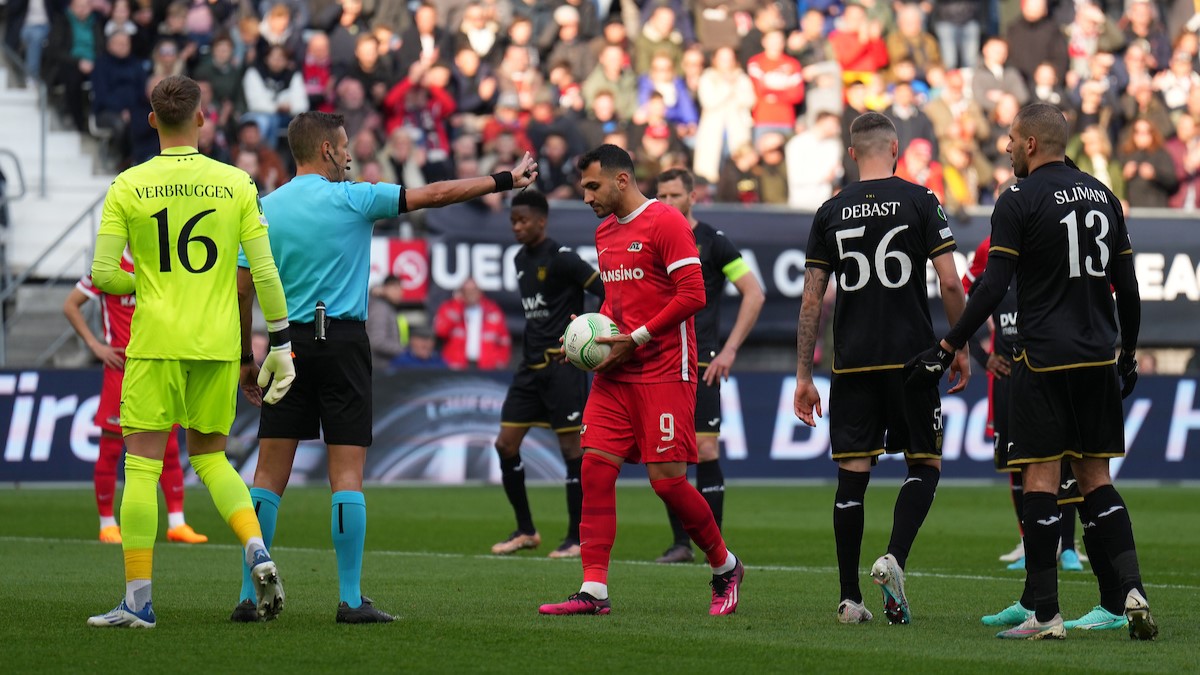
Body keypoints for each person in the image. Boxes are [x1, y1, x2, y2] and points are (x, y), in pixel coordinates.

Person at [233, 110, 538, 624]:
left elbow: (242, 290)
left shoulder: (263, 208)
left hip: (287, 343)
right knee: (347, 474)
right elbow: (437, 194)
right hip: (346, 341)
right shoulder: (355, 198)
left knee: (266, 475)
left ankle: (248, 596)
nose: (350, 155)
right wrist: (504, 179)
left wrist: (248, 356)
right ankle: (350, 600)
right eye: (345, 146)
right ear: (327, 150)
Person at [907, 102, 1156, 640]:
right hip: (1097, 358)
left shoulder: (1016, 197)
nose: (1006, 146)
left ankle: (1046, 616)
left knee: (1039, 479)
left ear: (1032, 145)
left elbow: (993, 286)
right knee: (1097, 479)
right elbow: (1128, 289)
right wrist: (1128, 354)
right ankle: (1131, 589)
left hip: (1043, 358)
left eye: (1012, 139)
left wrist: (948, 343)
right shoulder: (1104, 195)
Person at [86, 74, 295, 629]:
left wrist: (150, 282)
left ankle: (138, 602)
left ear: (152, 120)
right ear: (203, 118)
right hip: (219, 343)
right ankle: (256, 549)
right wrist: (281, 341)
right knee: (210, 458)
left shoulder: (127, 185)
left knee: (142, 465)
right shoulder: (237, 184)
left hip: (155, 342)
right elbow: (266, 273)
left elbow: (104, 274)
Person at [538, 144, 744, 617]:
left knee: (667, 483)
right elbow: (616, 304)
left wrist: (639, 337)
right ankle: (594, 590)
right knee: (594, 469)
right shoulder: (605, 232)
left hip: (667, 366)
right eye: (583, 187)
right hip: (619, 369)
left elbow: (693, 295)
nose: (586, 196)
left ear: (622, 180)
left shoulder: (666, 222)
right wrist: (587, 342)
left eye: (593, 186)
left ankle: (724, 566)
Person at [793, 111, 969, 626]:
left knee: (852, 476)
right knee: (925, 464)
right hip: (913, 359)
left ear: (852, 154)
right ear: (895, 148)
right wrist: (959, 346)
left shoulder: (830, 210)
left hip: (852, 362)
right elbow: (952, 284)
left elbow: (811, 300)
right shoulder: (921, 200)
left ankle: (849, 599)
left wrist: (804, 375)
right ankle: (893, 557)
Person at [653, 168, 764, 564]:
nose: (665, 203)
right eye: (660, 195)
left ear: (692, 196)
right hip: (660, 362)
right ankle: (680, 543)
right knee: (669, 453)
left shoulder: (713, 243)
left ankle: (711, 546)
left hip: (701, 361)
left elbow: (753, 292)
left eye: (673, 195)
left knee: (705, 446)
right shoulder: (651, 238)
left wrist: (730, 349)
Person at [63, 253, 208, 546]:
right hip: (122, 366)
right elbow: (70, 305)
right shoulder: (108, 265)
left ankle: (177, 523)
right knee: (112, 446)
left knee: (168, 445)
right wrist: (96, 346)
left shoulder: (159, 259)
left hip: (158, 365)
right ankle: (107, 523)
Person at [962, 236, 1085, 575]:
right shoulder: (994, 274)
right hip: (1008, 381)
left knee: (1061, 460)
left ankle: (1069, 545)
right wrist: (982, 356)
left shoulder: (1046, 265)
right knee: (1018, 464)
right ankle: (1032, 543)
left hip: (1047, 374)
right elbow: (961, 304)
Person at [491, 190, 604, 559]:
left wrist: (587, 331)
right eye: (512, 222)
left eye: (523, 221)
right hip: (530, 367)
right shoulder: (520, 259)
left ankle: (576, 536)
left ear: (542, 220)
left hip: (562, 367)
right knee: (505, 444)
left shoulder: (564, 259)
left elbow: (606, 291)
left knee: (572, 450)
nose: (517, 227)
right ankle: (526, 530)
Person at [432, 278, 512, 370]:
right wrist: (458, 308)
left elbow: (504, 339)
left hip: (487, 365)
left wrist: (501, 361)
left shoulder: (492, 311)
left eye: (474, 290)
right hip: (456, 364)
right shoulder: (450, 308)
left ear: (480, 292)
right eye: (467, 291)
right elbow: (440, 332)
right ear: (461, 293)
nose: (471, 294)